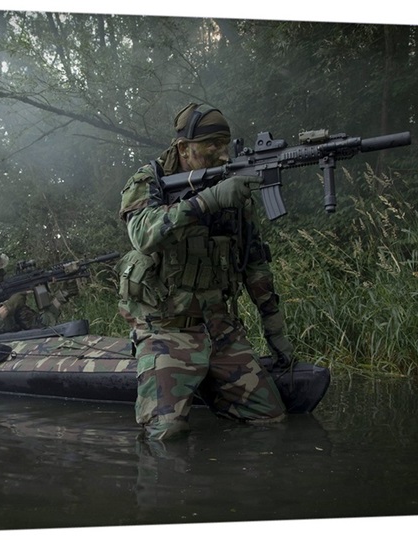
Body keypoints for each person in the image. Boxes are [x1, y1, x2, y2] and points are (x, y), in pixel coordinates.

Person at [115, 102, 295, 440]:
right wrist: (205, 202)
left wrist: (275, 331)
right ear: (184, 148)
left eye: (225, 144)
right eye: (212, 145)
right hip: (166, 332)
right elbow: (142, 232)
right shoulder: (148, 179)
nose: (222, 154)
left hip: (221, 330)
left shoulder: (231, 184)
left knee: (270, 421)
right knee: (165, 434)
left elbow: (254, 262)